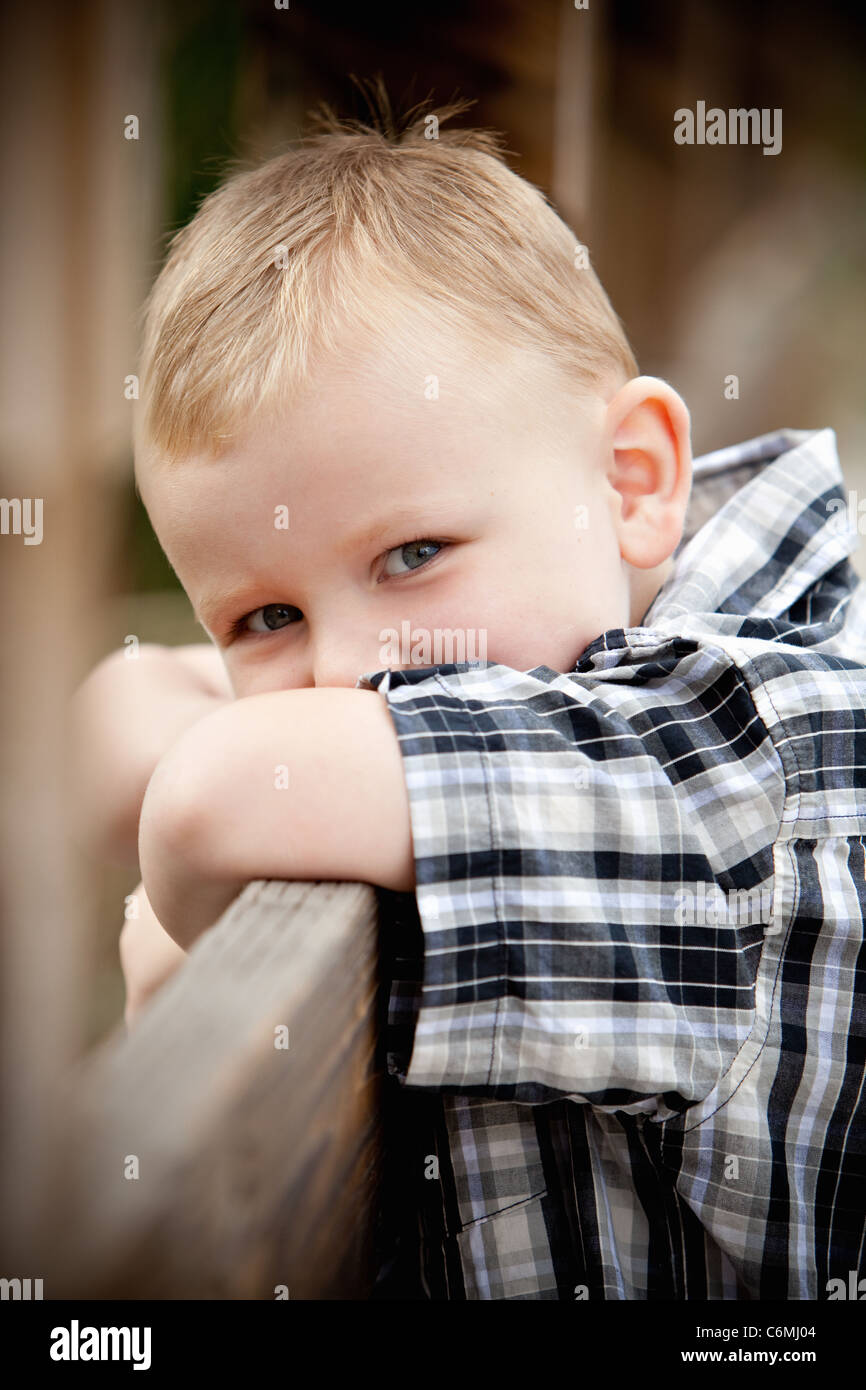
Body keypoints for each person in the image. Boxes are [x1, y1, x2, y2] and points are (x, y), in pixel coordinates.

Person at [73, 93, 866, 1299]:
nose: (346, 674)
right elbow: (121, 705)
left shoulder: (746, 760)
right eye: (268, 618)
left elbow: (203, 800)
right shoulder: (567, 616)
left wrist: (167, 915)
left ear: (632, 479)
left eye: (411, 557)